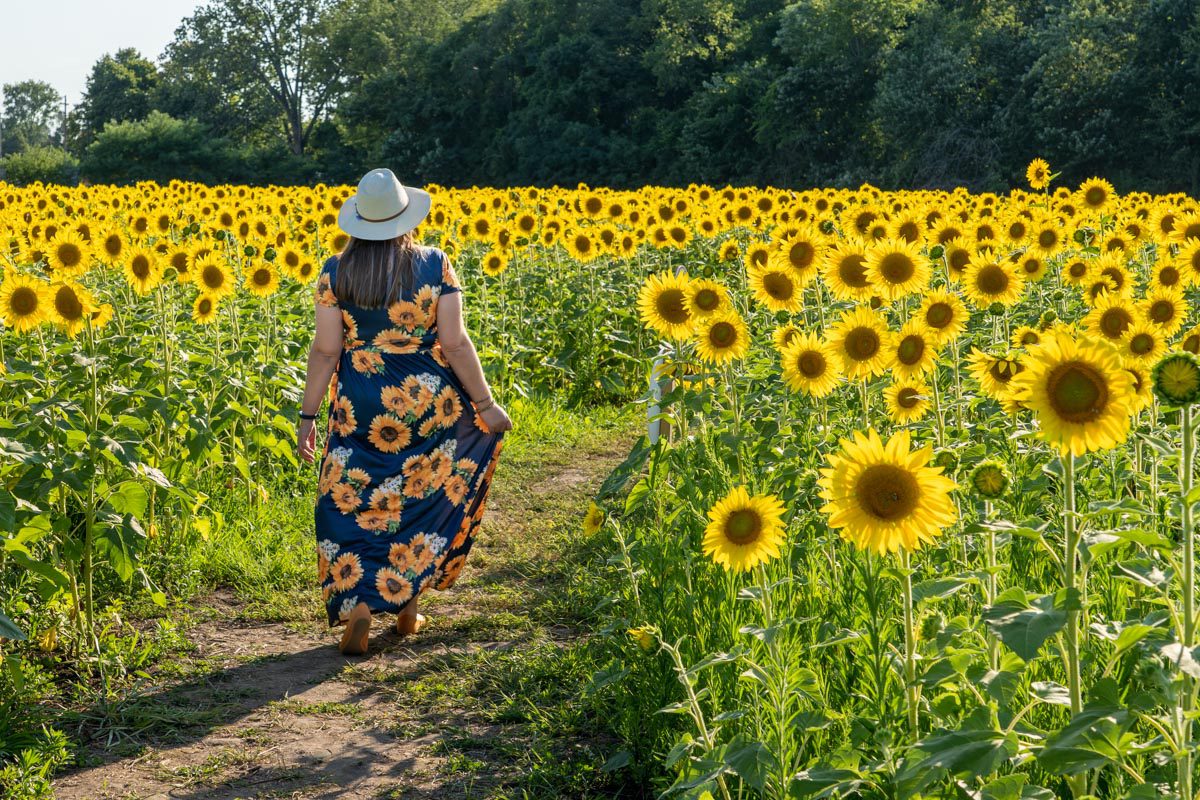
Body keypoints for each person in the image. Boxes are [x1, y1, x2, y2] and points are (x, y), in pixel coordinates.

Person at [297, 168, 512, 655]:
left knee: (350, 497)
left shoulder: (336, 271)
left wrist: (308, 417)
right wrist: (485, 404)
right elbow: (455, 343)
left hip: (361, 400)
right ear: (405, 217)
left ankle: (359, 607)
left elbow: (326, 350)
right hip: (427, 398)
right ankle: (407, 602)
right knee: (420, 491)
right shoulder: (435, 264)